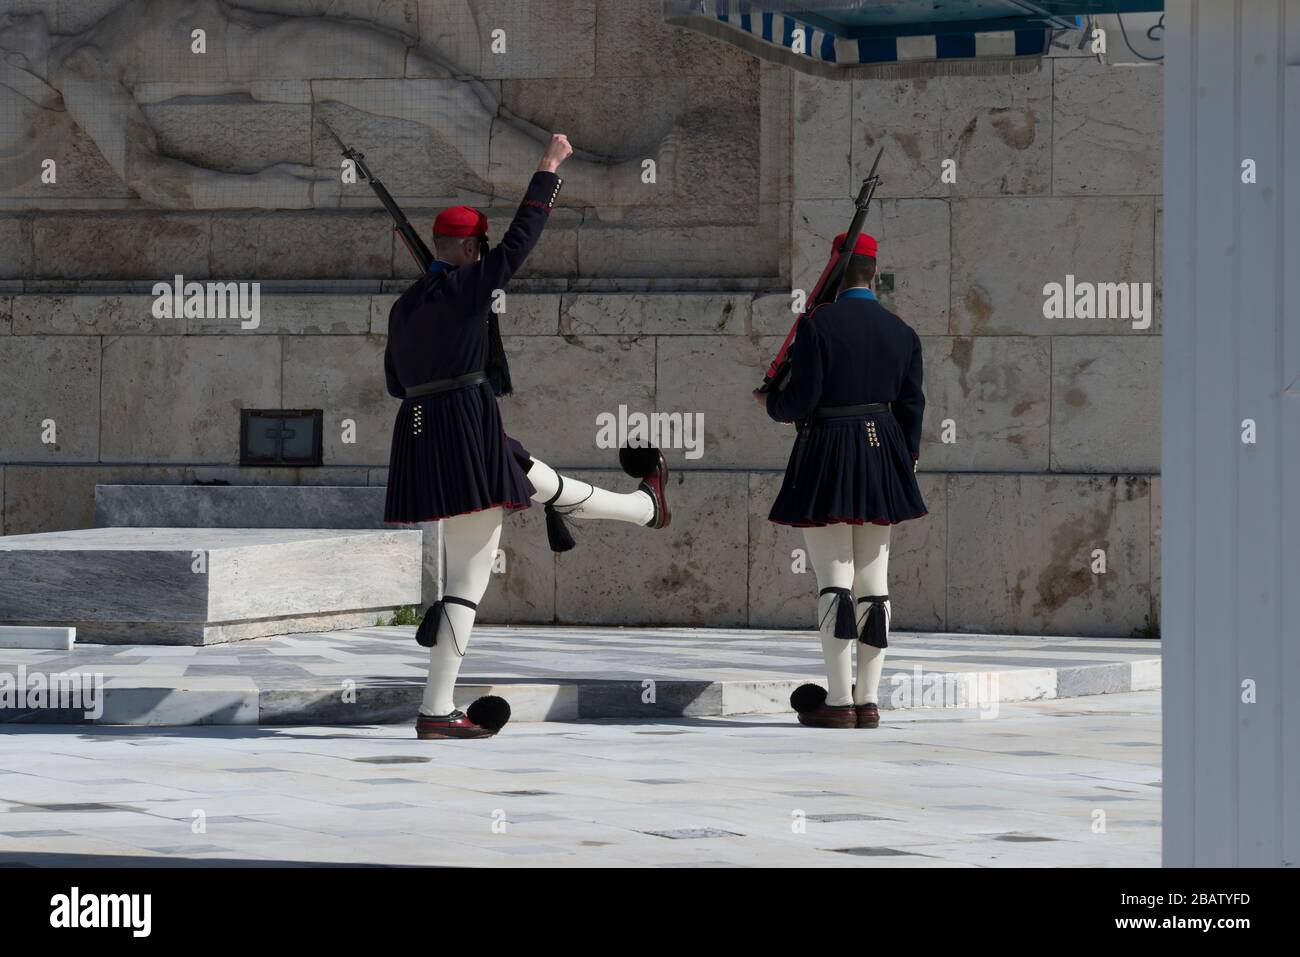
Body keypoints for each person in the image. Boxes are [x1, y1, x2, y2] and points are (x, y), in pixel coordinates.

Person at [384, 133, 671, 741]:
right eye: (479, 248)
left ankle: (643, 507)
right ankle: (436, 712)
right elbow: (521, 241)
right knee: (467, 577)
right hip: (464, 424)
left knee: (525, 472)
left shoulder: (406, 306)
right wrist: (547, 169)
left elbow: (394, 382)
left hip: (417, 430)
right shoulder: (467, 287)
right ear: (469, 248)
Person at [754, 232, 926, 730]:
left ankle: (837, 699)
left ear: (834, 273)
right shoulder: (902, 331)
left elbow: (800, 400)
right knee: (876, 585)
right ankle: (869, 700)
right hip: (885, 451)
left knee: (835, 581)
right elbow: (912, 406)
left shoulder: (818, 325)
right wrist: (904, 460)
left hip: (830, 448)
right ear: (873, 272)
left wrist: (769, 403)